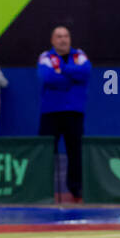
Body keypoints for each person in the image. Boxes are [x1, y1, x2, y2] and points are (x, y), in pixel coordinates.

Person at [37, 26, 90, 201]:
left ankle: (76, 189)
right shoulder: (45, 57)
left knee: (75, 152)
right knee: (46, 152)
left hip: (74, 112)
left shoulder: (79, 55)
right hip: (50, 112)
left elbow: (85, 73)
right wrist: (71, 78)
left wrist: (63, 70)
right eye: (59, 36)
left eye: (66, 36)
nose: (63, 39)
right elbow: (48, 78)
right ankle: (43, 189)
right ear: (53, 40)